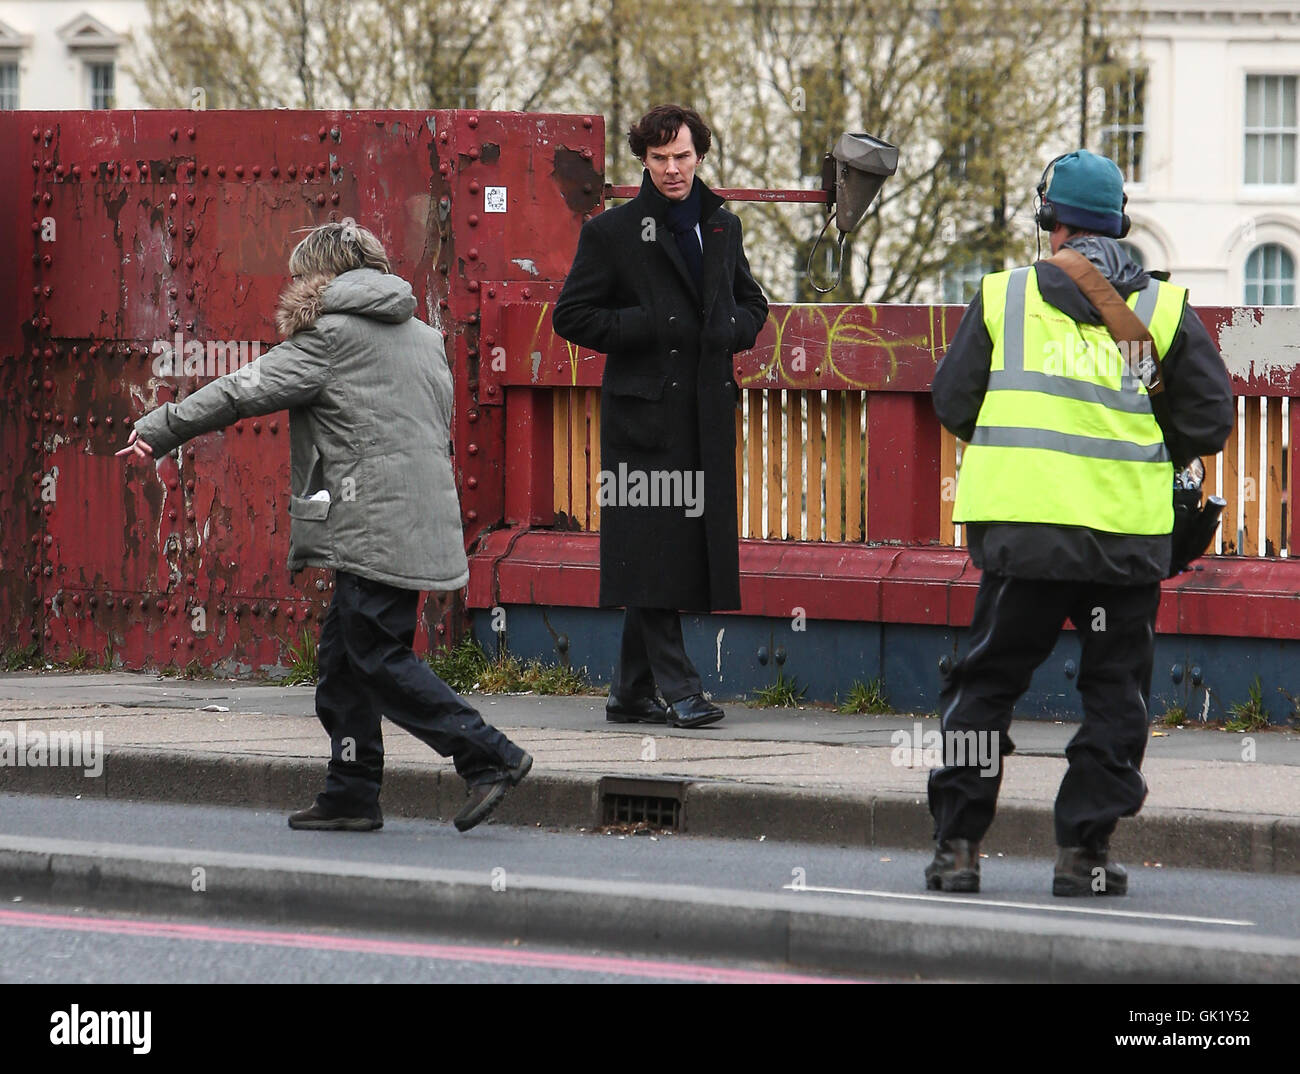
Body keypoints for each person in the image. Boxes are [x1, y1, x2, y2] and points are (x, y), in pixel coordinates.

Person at [119, 221, 531, 833]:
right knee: (344, 663)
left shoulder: (329, 337)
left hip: (372, 524)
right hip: (416, 512)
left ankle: (487, 755)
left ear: (320, 276)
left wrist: (159, 429)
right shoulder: (422, 335)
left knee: (375, 658)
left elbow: (241, 390)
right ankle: (351, 793)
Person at [928, 149, 1234, 896]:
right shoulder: (1161, 309)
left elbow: (952, 401)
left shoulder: (1003, 296)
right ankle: (1084, 857)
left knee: (986, 686)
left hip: (1025, 535)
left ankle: (959, 849)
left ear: (1050, 220)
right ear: (1119, 224)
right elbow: (1209, 418)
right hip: (1124, 541)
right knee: (1115, 693)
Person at [552, 104, 768, 730]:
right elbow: (573, 316)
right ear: (642, 162)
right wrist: (646, 324)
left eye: (682, 156)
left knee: (671, 549)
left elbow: (752, 304)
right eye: (659, 159)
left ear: (701, 155)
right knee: (653, 552)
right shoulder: (614, 232)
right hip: (644, 419)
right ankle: (681, 689)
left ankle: (628, 692)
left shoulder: (722, 225)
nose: (672, 170)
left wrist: (730, 328)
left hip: (702, 411)